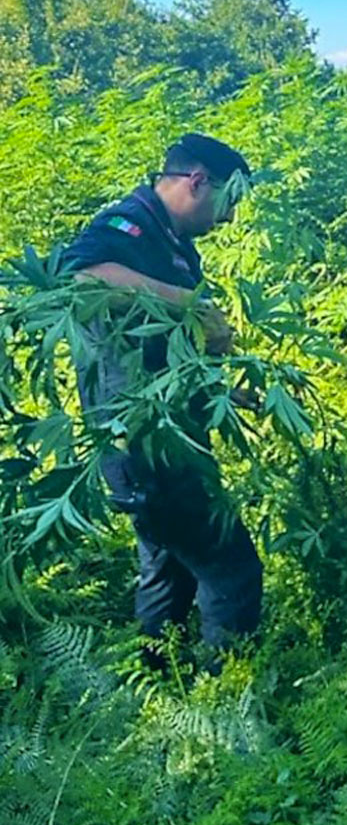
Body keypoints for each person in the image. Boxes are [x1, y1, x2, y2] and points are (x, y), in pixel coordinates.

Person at [62, 133, 262, 653]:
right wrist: (188, 302)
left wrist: (224, 393)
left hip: (171, 433)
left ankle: (157, 686)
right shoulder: (125, 226)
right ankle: (230, 707)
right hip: (144, 440)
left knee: (168, 566)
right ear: (197, 181)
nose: (229, 220)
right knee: (231, 566)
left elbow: (167, 354)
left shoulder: (176, 246)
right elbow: (82, 276)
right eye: (228, 201)